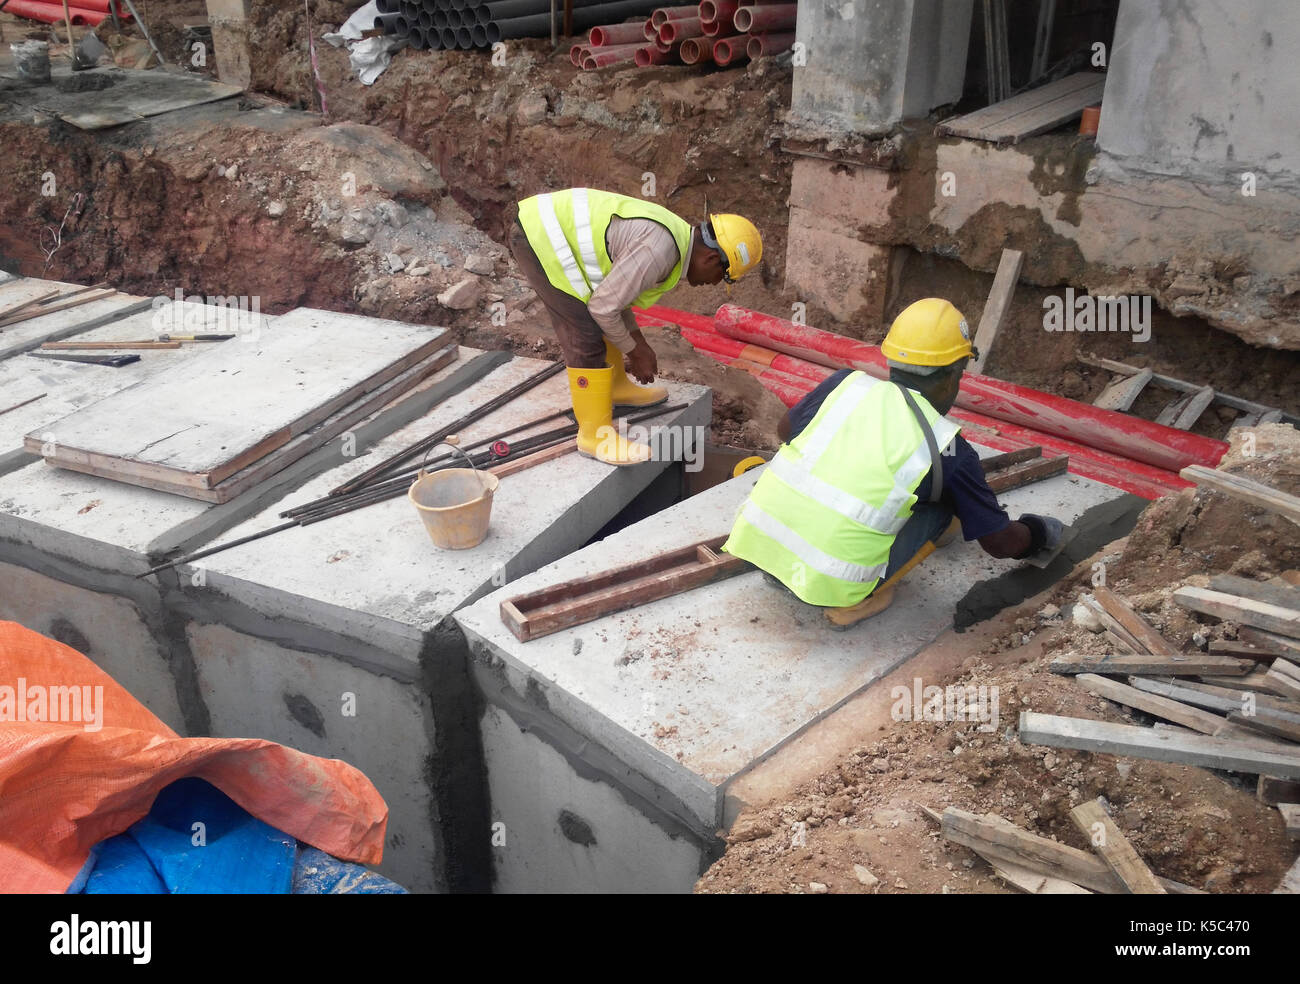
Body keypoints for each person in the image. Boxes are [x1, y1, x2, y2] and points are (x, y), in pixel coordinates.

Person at [723, 297, 1065, 629]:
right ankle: (855, 599)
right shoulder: (944, 445)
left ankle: (782, 569)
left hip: (759, 547)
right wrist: (1038, 532)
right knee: (945, 507)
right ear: (952, 374)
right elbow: (1001, 543)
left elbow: (787, 431)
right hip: (833, 584)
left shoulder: (845, 384)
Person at [510, 187, 762, 465]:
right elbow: (603, 309)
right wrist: (634, 351)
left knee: (599, 315)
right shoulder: (659, 251)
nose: (714, 283)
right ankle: (594, 435)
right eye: (721, 276)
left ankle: (616, 388)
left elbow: (616, 297)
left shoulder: (673, 240)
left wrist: (637, 342)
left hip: (549, 228)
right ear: (711, 259)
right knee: (584, 332)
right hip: (539, 238)